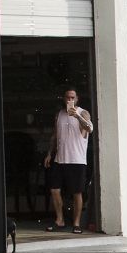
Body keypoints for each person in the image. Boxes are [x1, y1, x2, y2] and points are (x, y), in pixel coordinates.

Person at [42, 88, 93, 233]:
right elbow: (55, 135)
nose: (70, 100)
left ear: (77, 99)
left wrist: (77, 116)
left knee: (77, 192)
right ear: (64, 99)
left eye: (72, 97)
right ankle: (60, 220)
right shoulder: (59, 114)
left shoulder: (83, 112)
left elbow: (89, 128)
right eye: (67, 98)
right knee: (54, 189)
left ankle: (76, 223)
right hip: (60, 159)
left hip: (77, 159)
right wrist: (49, 154)